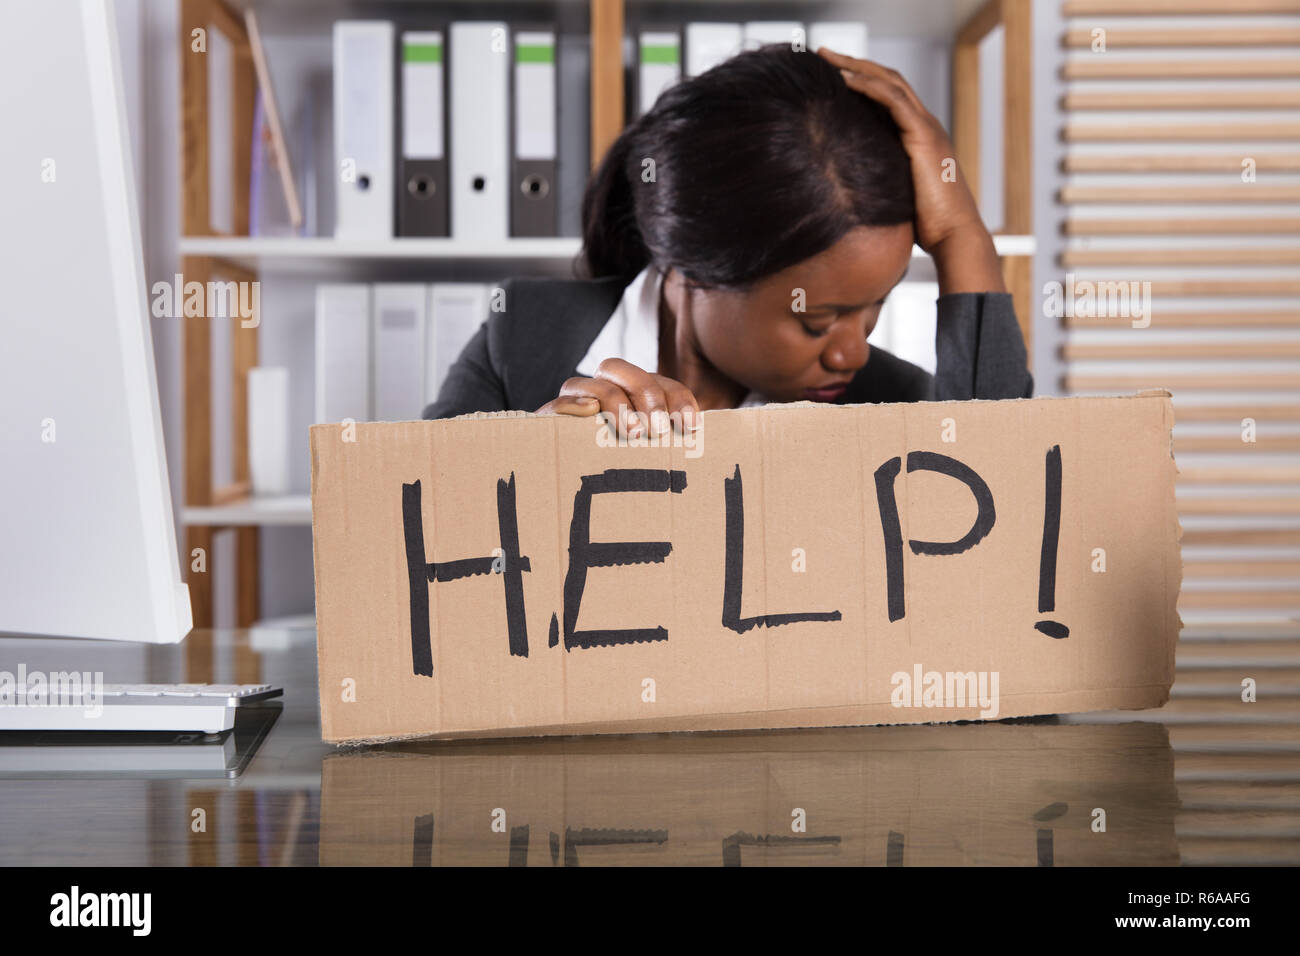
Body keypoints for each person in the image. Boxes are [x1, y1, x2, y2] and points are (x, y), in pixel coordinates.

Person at [423, 45, 1032, 436]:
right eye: (818, 321)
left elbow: (1010, 502)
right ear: (693, 266)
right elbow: (406, 539)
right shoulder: (525, 334)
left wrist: (960, 236)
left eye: (876, 308)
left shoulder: (885, 402)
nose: (852, 353)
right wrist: (523, 469)